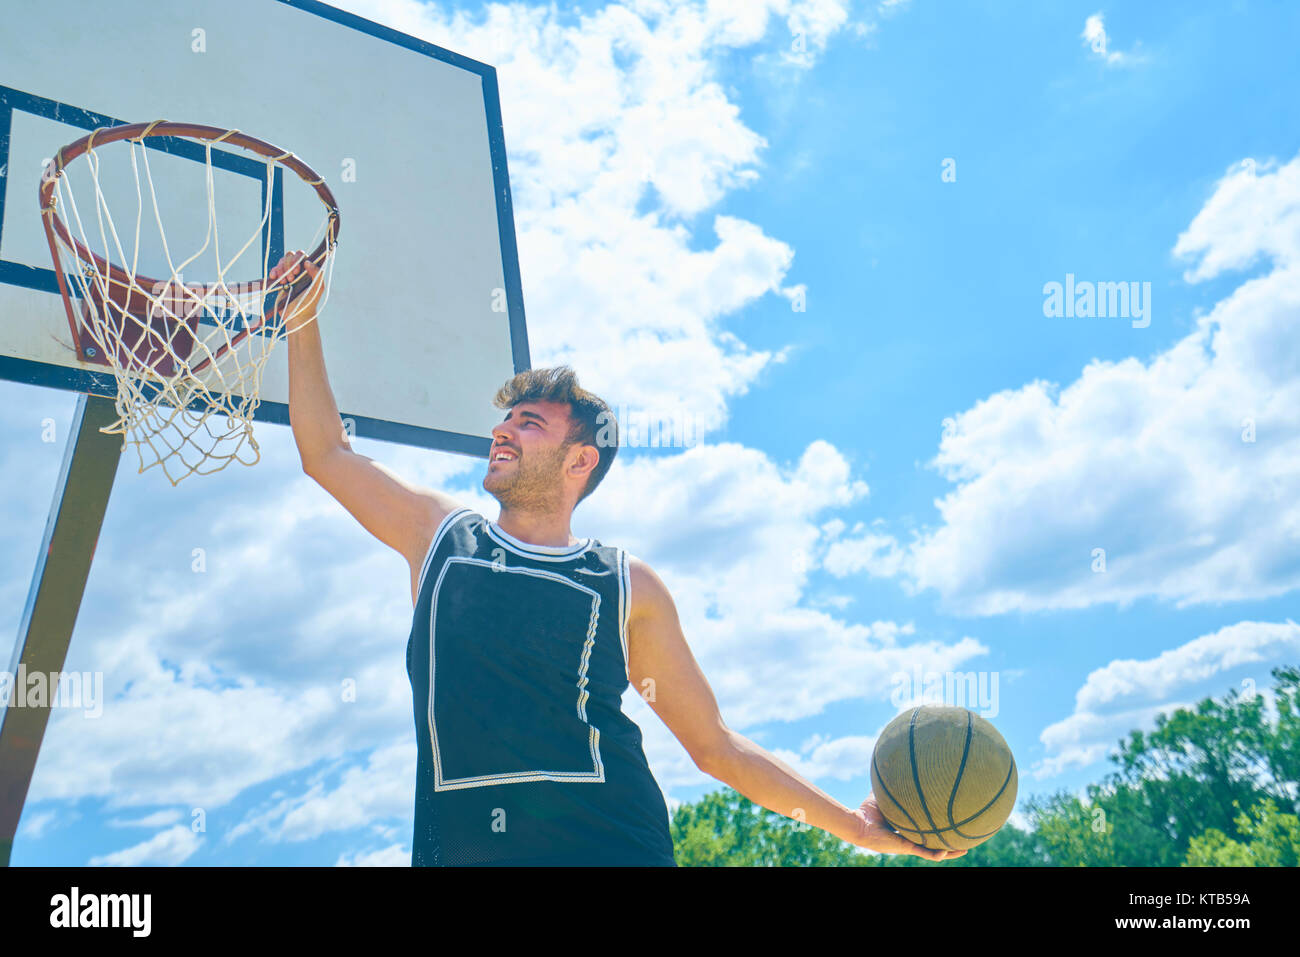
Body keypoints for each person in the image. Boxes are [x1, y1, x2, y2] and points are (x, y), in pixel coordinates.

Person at [270, 251, 965, 866]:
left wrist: (854, 826)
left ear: (580, 460)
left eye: (528, 422)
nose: (502, 431)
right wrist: (301, 320)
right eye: (506, 419)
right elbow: (326, 453)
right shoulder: (440, 537)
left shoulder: (627, 586)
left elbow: (715, 745)